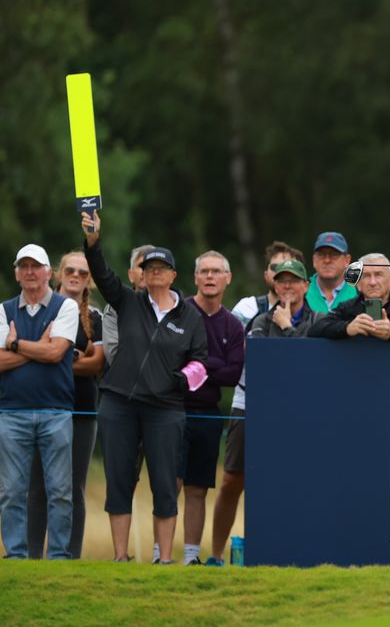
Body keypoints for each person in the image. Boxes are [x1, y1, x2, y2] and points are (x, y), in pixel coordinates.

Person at [82, 210, 208, 564]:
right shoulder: (127, 301)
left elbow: (202, 362)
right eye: (148, 267)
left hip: (166, 409)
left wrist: (180, 380)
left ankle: (164, 559)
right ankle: (122, 557)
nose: (154, 272)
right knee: (119, 482)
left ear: (173, 275)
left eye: (161, 268)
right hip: (119, 403)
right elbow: (102, 273)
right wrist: (93, 240)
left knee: (166, 486)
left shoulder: (190, 316)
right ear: (141, 274)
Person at [208, 242, 303, 566]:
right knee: (233, 480)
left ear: (304, 280)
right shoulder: (250, 307)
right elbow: (238, 351)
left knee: (283, 482)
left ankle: (280, 553)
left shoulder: (313, 313)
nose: (284, 280)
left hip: (292, 408)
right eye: (278, 271)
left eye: (291, 272)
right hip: (248, 401)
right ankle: (216, 555)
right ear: (268, 276)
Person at [0, 244, 79, 559]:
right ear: (17, 274)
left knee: (60, 493)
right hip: (11, 412)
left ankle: (59, 557)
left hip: (56, 411)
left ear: (49, 272)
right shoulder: (3, 309)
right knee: (10, 493)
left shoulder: (65, 307)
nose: (30, 272)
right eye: (24, 267)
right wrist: (38, 348)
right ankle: (16, 557)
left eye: (36, 266)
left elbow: (56, 353)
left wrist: (16, 344)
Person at [27, 251, 104, 559]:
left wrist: (52, 357)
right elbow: (30, 355)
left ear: (90, 281)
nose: (76, 276)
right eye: (70, 270)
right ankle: (32, 557)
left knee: (73, 488)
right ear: (58, 273)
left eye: (83, 273)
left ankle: (70, 557)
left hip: (81, 408)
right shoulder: (36, 310)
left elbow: (96, 363)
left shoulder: (95, 318)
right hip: (39, 404)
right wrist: (56, 356)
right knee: (38, 486)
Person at [177, 251, 245, 565]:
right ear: (195, 278)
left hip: (207, 413)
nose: (209, 276)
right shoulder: (180, 312)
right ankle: (160, 553)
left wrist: (200, 365)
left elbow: (233, 374)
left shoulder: (232, 324)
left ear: (227, 278)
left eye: (216, 271)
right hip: (173, 409)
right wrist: (212, 365)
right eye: (204, 271)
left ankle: (191, 555)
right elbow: (173, 362)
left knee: (197, 487)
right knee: (170, 484)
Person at [102, 244, 155, 366]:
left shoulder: (175, 307)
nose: (145, 271)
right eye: (141, 266)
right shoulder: (114, 308)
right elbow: (114, 355)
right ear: (131, 275)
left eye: (150, 266)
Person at [249, 259, 325, 338]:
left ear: (306, 286)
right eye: (281, 281)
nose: (287, 286)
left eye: (294, 281)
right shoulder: (263, 322)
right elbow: (261, 350)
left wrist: (286, 327)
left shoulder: (318, 320)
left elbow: (309, 350)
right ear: (276, 287)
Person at [304, 231, 358, 313]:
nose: (327, 260)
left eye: (334, 255)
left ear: (347, 260)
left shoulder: (359, 293)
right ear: (314, 260)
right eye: (321, 254)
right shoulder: (302, 292)